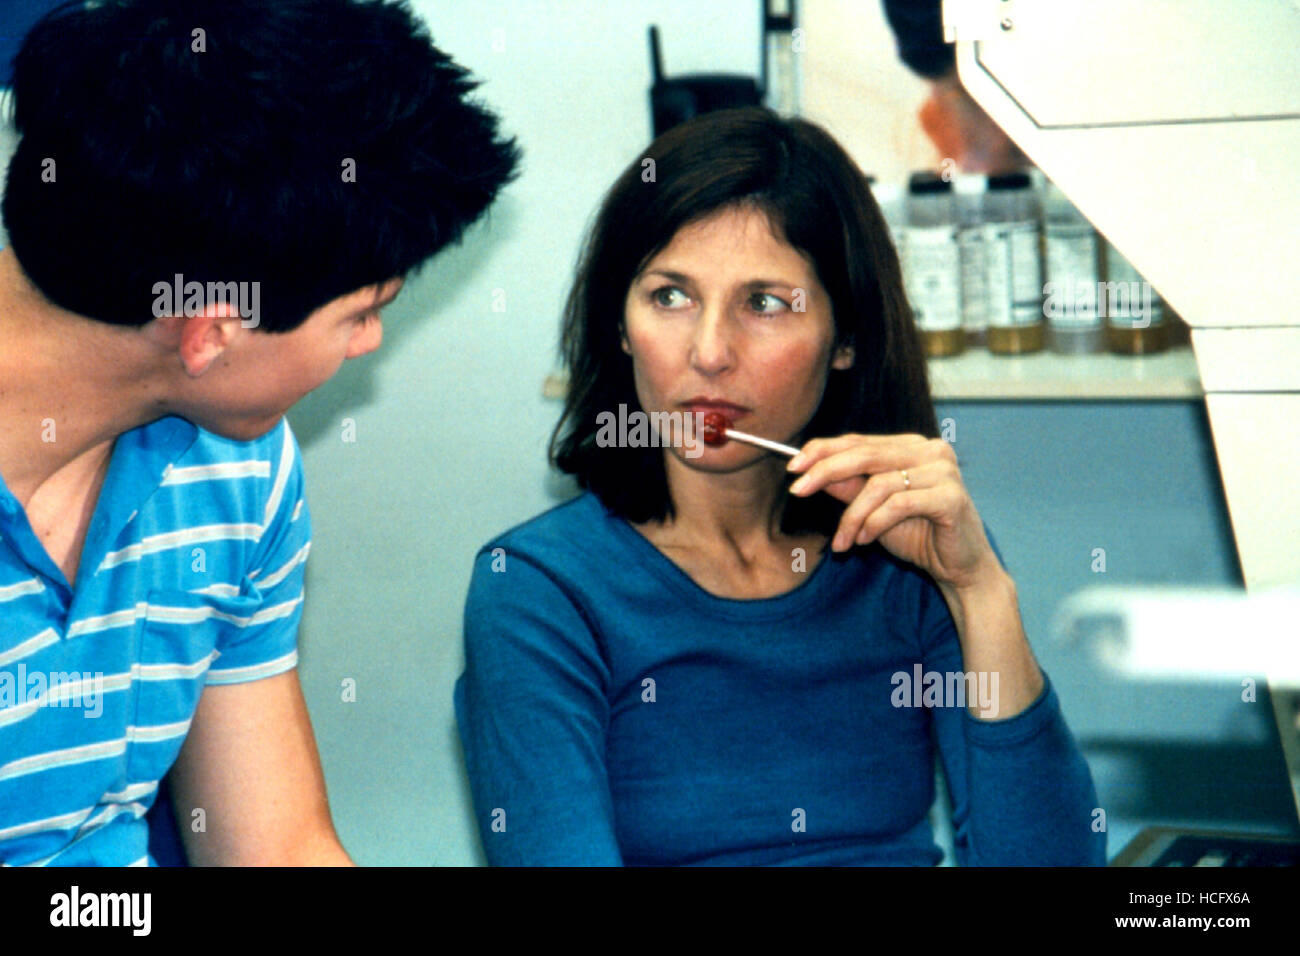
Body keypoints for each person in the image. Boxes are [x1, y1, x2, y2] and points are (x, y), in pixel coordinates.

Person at [455, 107, 1104, 866]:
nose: (708, 353)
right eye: (670, 296)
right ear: (620, 325)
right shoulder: (539, 589)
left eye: (764, 304)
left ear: (847, 340)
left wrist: (980, 591)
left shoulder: (913, 549)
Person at [0, 0, 518, 866]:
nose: (369, 344)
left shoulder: (238, 465)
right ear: (209, 330)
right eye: (362, 313)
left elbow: (272, 845)